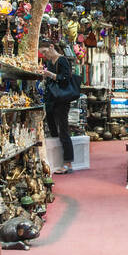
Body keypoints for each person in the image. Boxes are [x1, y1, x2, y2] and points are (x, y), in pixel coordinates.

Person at [41, 45, 76, 174]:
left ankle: (68, 163)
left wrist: (50, 74)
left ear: (51, 47)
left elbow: (65, 79)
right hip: (51, 99)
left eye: (45, 52)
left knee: (63, 130)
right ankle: (56, 160)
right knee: (52, 128)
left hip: (61, 100)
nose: (45, 55)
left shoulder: (62, 60)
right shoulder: (50, 62)